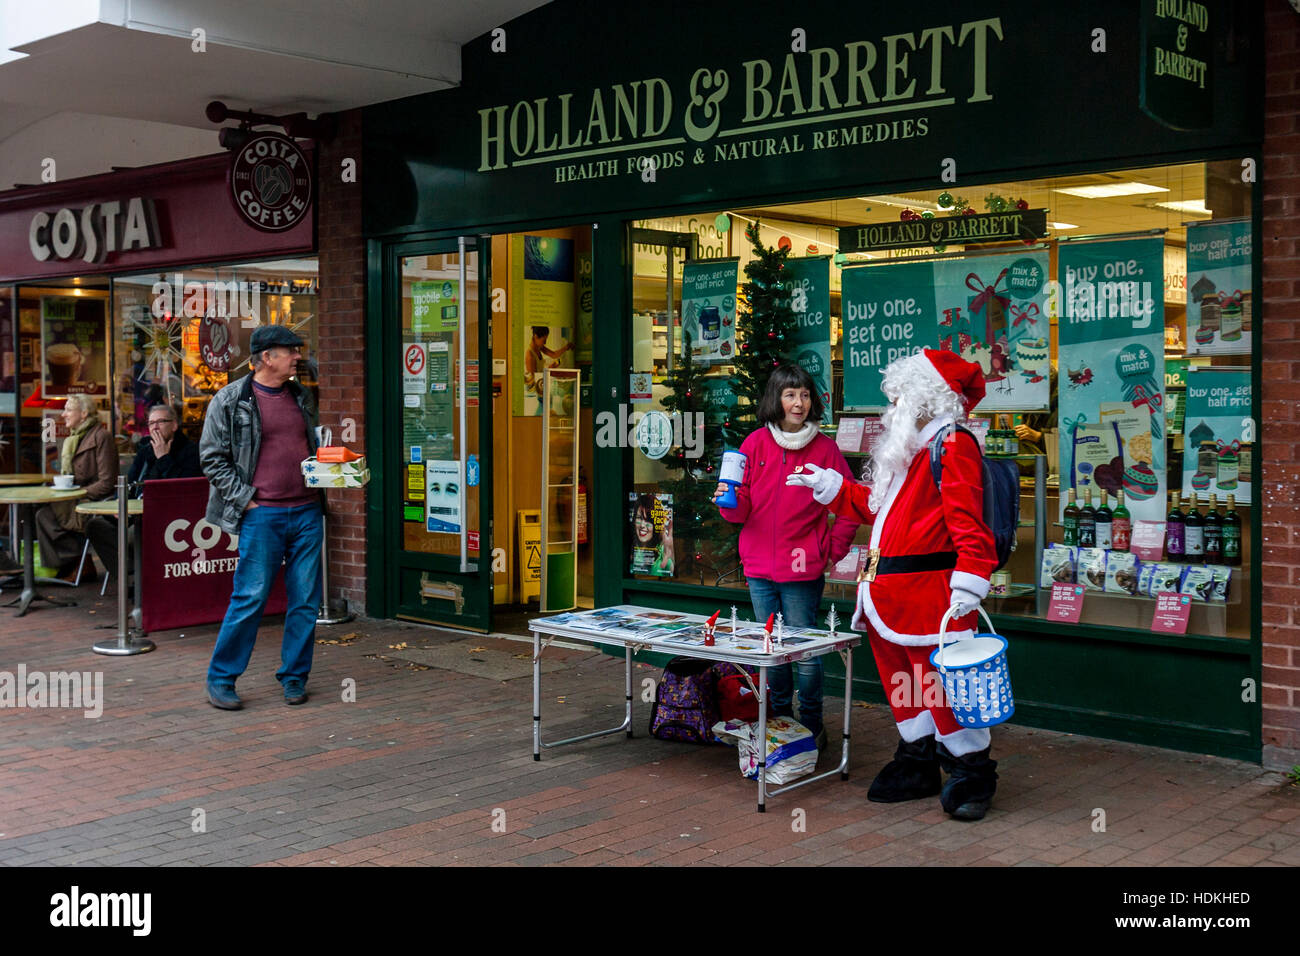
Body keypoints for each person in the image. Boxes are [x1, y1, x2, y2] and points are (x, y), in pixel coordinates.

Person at [787, 349, 1000, 820]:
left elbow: (969, 523)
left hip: (929, 598)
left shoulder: (952, 444)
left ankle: (971, 772)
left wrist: (969, 582)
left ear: (928, 395)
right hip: (888, 598)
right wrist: (831, 486)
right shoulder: (912, 449)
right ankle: (918, 757)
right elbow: (879, 509)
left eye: (901, 394)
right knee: (904, 685)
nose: (894, 403)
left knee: (941, 689)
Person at [714, 363, 861, 748]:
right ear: (775, 399)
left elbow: (849, 507)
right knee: (772, 650)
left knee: (806, 653)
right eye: (790, 394)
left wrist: (831, 550)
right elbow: (740, 508)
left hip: (803, 569)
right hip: (760, 569)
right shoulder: (754, 444)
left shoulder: (825, 449)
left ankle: (812, 727)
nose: (799, 403)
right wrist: (726, 503)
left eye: (805, 394)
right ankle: (780, 722)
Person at [201, 326, 322, 710]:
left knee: (305, 601)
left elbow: (310, 444)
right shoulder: (230, 400)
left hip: (306, 511)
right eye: (290, 352)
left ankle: (294, 677)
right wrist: (247, 500)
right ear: (266, 357)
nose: (297, 358)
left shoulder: (300, 395)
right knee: (250, 597)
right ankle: (221, 679)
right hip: (263, 514)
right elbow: (212, 459)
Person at [86, 402, 202, 581]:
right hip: (136, 513)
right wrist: (119, 501)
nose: (155, 427)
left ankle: (145, 580)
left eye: (161, 421)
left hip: (171, 519)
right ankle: (130, 573)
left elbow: (182, 490)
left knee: (135, 534)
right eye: (151, 423)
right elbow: (130, 481)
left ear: (174, 425)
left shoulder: (191, 452)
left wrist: (163, 457)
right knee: (95, 526)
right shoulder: (145, 450)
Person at [35, 393, 118, 578]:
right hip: (76, 499)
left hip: (92, 502)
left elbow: (107, 483)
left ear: (84, 413)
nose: (63, 414)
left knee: (44, 513)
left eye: (68, 409)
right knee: (42, 514)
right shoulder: (73, 440)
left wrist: (78, 492)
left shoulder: (101, 437)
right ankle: (76, 561)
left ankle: (76, 562)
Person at [523, 326, 572, 401]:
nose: (545, 343)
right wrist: (549, 369)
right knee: (560, 393)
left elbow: (554, 354)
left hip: (541, 384)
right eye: (544, 340)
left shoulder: (539, 347)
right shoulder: (530, 355)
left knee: (561, 392)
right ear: (536, 337)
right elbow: (533, 382)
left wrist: (566, 347)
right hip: (535, 391)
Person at [630, 493, 673, 576]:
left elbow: (673, 576)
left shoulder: (662, 552)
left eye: (648, 520)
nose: (642, 525)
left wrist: (668, 559)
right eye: (639, 518)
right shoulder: (630, 546)